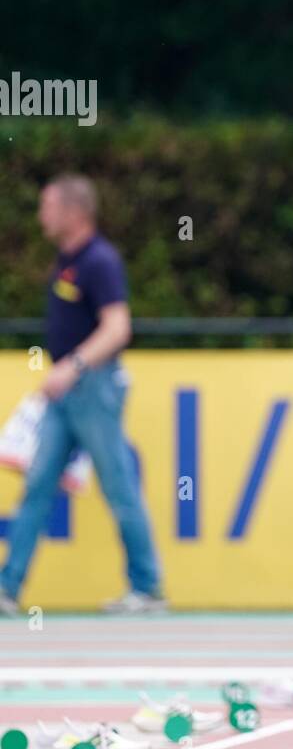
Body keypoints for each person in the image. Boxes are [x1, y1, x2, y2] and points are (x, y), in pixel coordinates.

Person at [0, 176, 165, 618]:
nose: (41, 216)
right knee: (36, 486)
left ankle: (147, 588)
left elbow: (117, 328)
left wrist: (72, 366)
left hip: (91, 387)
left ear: (75, 212)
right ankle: (7, 588)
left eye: (48, 206)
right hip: (66, 391)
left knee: (118, 486)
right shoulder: (67, 260)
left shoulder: (99, 261)